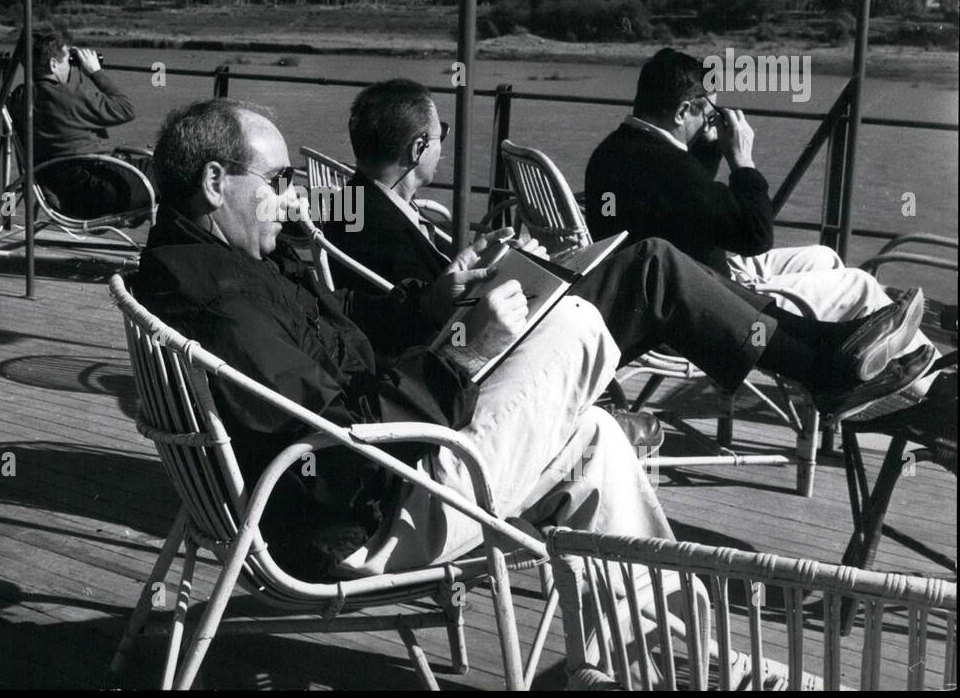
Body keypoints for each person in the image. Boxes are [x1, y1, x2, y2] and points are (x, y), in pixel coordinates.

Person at [134, 98, 928, 586]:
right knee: (624, 287)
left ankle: (663, 652)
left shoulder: (207, 270)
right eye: (276, 182)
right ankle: (822, 365)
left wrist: (434, 304)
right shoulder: (223, 305)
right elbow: (333, 450)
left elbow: (334, 347)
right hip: (373, 511)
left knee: (592, 436)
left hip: (395, 455)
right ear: (214, 184)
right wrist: (458, 355)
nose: (295, 196)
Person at [322, 78, 929, 419]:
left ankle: (821, 349)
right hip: (488, 362)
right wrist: (459, 283)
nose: (443, 146)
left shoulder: (353, 201)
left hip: (487, 333)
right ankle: (821, 364)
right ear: (418, 146)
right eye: (442, 136)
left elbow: (406, 295)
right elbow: (422, 319)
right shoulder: (378, 222)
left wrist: (477, 263)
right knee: (655, 265)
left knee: (645, 262)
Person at [584, 47, 938, 387]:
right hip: (706, 297)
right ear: (681, 112)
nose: (713, 121)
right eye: (707, 114)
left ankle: (851, 348)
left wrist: (705, 149)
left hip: (691, 275)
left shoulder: (614, 150)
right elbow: (755, 237)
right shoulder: (667, 167)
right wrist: (742, 161)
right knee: (859, 285)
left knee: (824, 256)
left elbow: (696, 208)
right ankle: (921, 388)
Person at [14, 32, 154, 219]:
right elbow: (126, 109)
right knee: (172, 168)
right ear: (53, 64)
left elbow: (55, 105)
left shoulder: (18, 98)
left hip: (65, 195)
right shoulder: (71, 96)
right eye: (67, 60)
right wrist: (95, 72)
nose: (71, 64)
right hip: (103, 191)